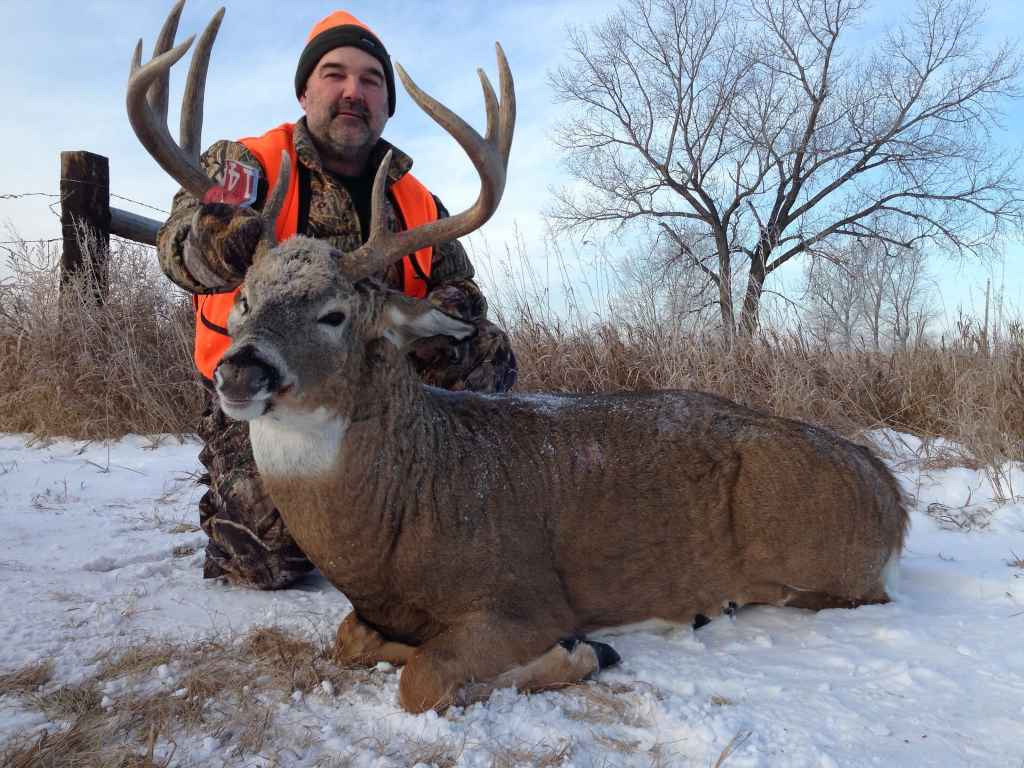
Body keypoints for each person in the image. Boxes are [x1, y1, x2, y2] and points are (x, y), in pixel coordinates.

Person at [156, 10, 518, 590]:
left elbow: (466, 291)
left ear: (387, 103)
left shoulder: (418, 199)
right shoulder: (248, 166)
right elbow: (178, 247)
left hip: (376, 391)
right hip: (269, 390)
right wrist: (219, 238)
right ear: (304, 90)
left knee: (485, 348)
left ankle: (455, 490)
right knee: (265, 559)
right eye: (334, 74)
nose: (353, 91)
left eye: (371, 79)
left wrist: (436, 310)